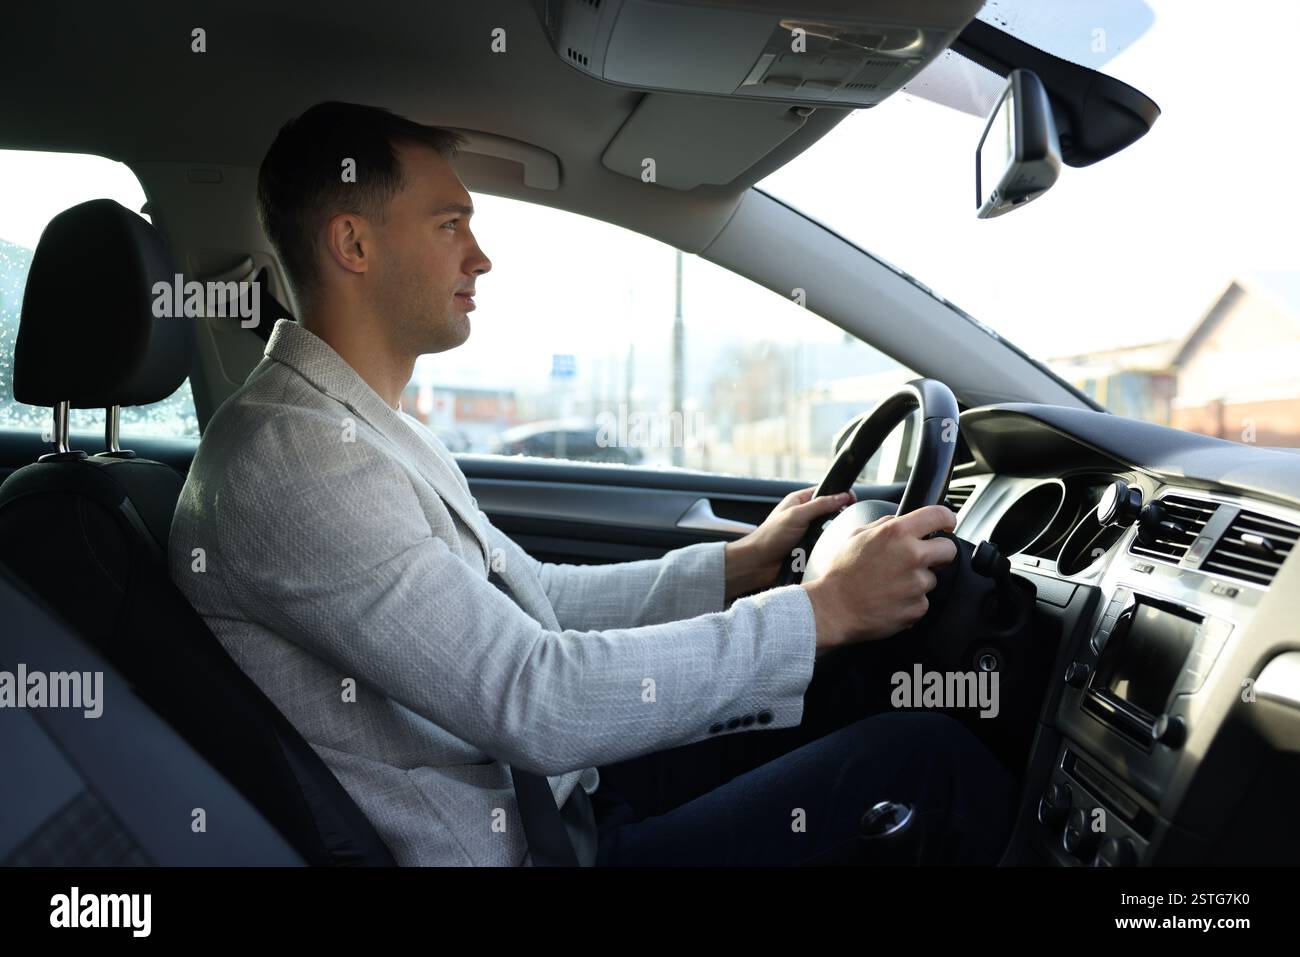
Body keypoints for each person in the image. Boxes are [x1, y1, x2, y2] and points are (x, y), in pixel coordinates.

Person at [169, 101, 1012, 867]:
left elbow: (533, 595)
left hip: (548, 803)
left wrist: (741, 566)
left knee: (843, 714)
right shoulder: (296, 460)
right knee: (924, 765)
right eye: (450, 223)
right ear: (354, 244)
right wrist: (821, 611)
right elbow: (536, 696)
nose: (481, 255)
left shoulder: (359, 428)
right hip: (531, 848)